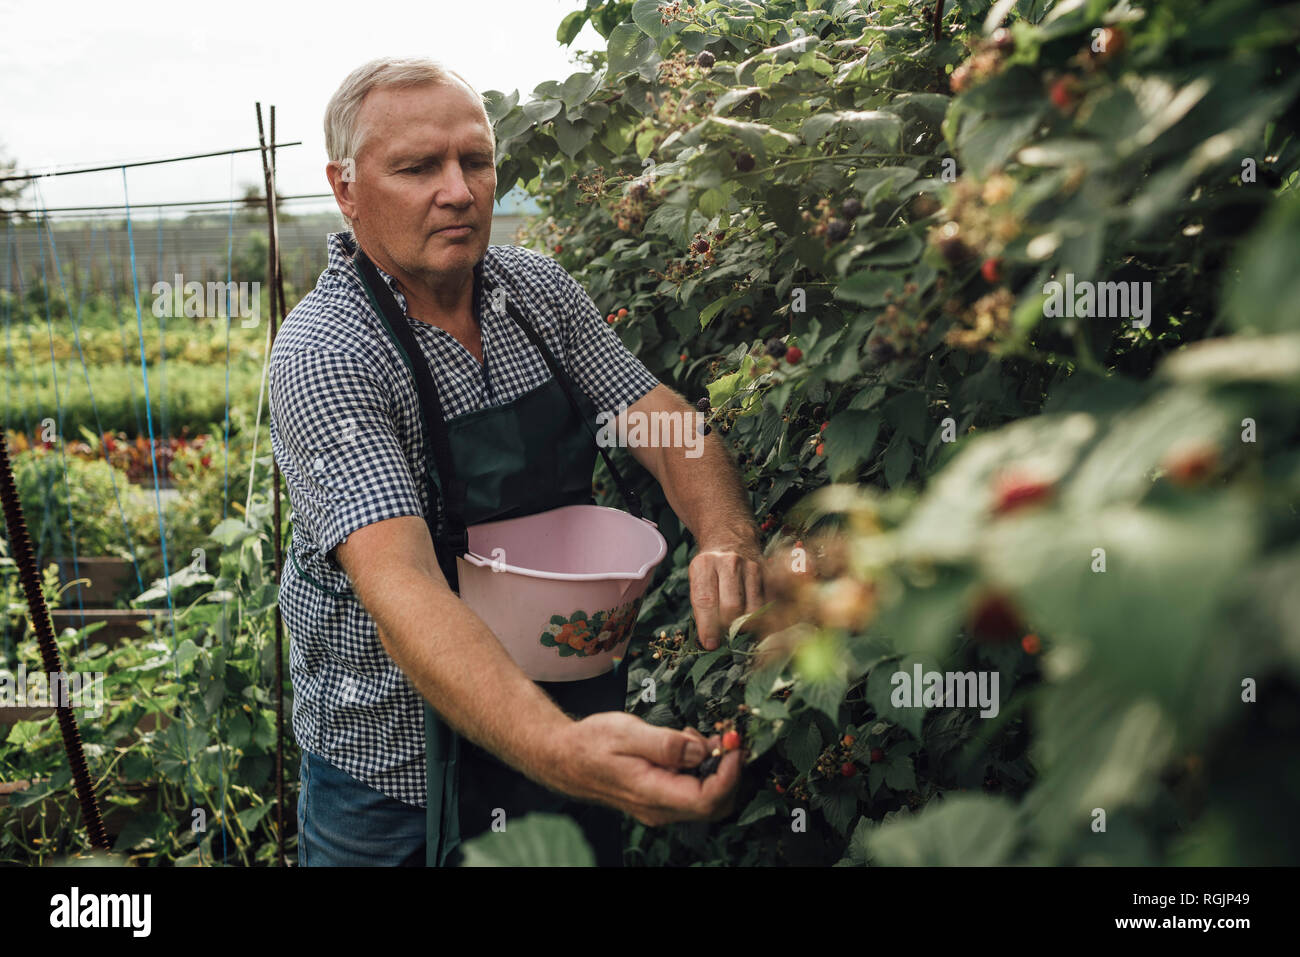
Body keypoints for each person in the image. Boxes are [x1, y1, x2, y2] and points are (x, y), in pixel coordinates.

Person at [269, 56, 765, 867]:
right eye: (418, 167)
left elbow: (664, 423)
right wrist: (563, 750)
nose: (459, 190)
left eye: (476, 160)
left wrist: (724, 533)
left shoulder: (534, 293)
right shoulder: (330, 352)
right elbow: (402, 586)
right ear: (346, 188)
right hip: (396, 785)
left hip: (565, 729)